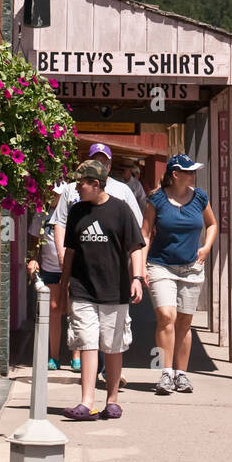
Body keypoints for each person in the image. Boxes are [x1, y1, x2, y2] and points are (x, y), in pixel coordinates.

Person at [58, 160, 145, 421]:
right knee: (86, 343)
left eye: (81, 183)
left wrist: (137, 278)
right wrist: (64, 283)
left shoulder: (120, 211)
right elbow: (71, 251)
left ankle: (112, 400)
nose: (77, 188)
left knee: (112, 346)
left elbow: (136, 247)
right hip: (82, 288)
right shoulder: (76, 211)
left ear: (96, 184)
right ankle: (86, 402)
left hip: (114, 290)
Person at [145, 153, 218, 396]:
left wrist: (206, 247)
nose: (193, 174)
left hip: (192, 267)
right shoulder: (156, 200)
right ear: (175, 174)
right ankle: (164, 372)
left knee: (185, 323)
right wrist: (139, 268)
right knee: (167, 316)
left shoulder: (200, 197)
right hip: (160, 265)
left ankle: (181, 374)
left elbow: (212, 224)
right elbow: (145, 234)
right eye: (189, 171)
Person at [26, 184, 68, 369]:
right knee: (53, 310)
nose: (52, 196)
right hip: (50, 268)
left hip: (70, 268)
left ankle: (76, 356)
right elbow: (35, 242)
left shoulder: (71, 213)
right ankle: (54, 355)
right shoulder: (41, 215)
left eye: (56, 194)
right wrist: (33, 259)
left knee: (72, 309)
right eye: (50, 192)